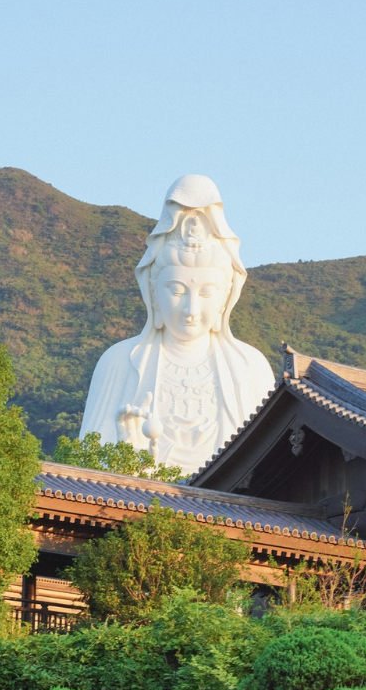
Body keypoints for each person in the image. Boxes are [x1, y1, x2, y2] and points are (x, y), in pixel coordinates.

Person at [80, 175, 275, 474]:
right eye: (177, 290)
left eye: (207, 292)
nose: (191, 309)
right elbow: (81, 472)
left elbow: (273, 474)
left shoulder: (251, 368)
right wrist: (125, 455)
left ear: (225, 299)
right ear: (154, 295)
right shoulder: (119, 363)